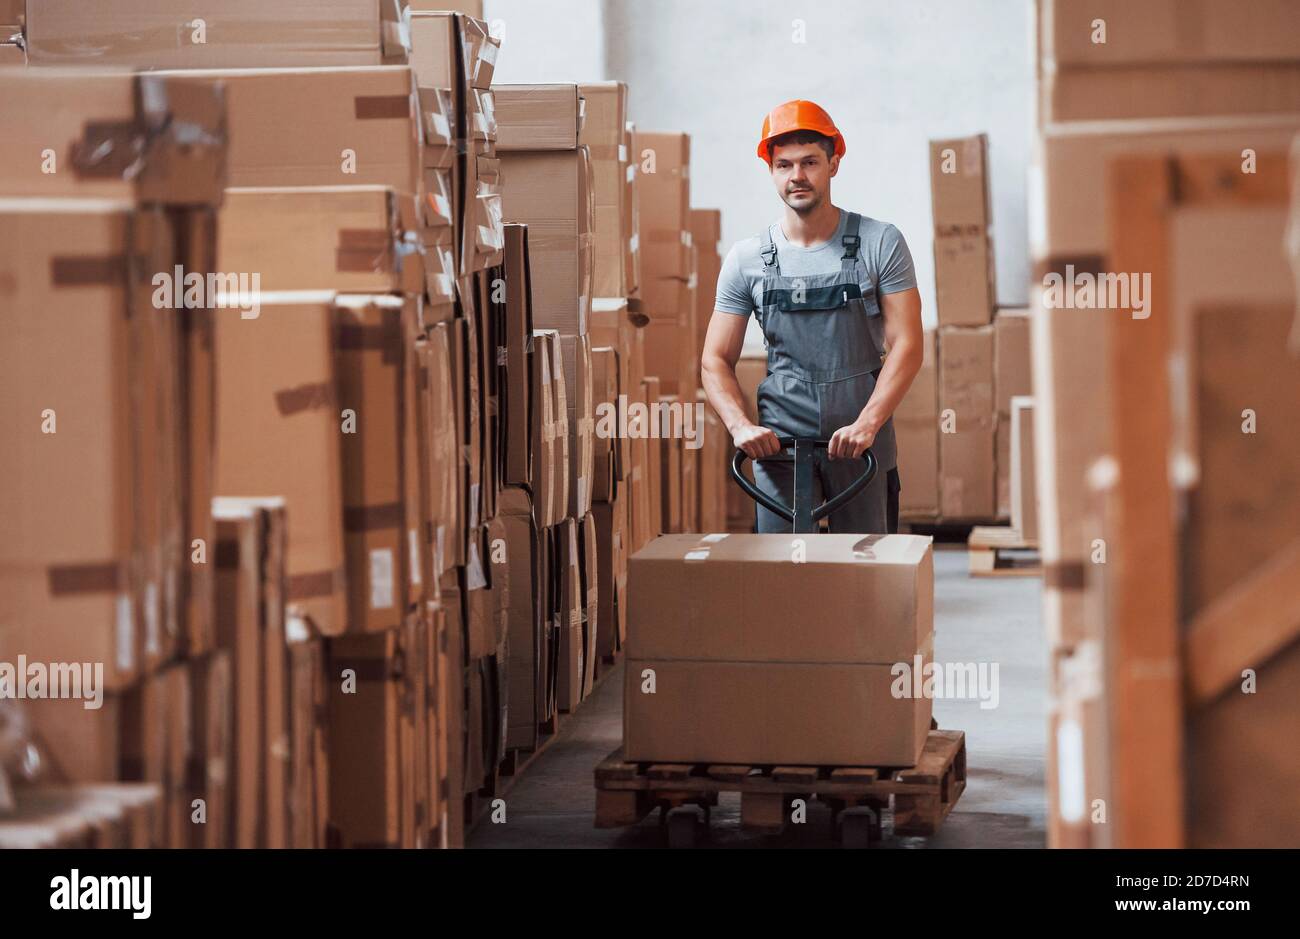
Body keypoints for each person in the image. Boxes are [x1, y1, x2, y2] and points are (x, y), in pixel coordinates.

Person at [701, 99, 924, 534]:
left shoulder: (881, 242)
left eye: (809, 162)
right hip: (780, 444)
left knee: (865, 569)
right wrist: (741, 426)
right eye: (783, 165)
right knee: (785, 573)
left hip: (861, 437)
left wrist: (868, 423)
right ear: (771, 170)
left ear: (834, 163)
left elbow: (908, 344)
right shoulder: (748, 259)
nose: (796, 176)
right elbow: (714, 360)